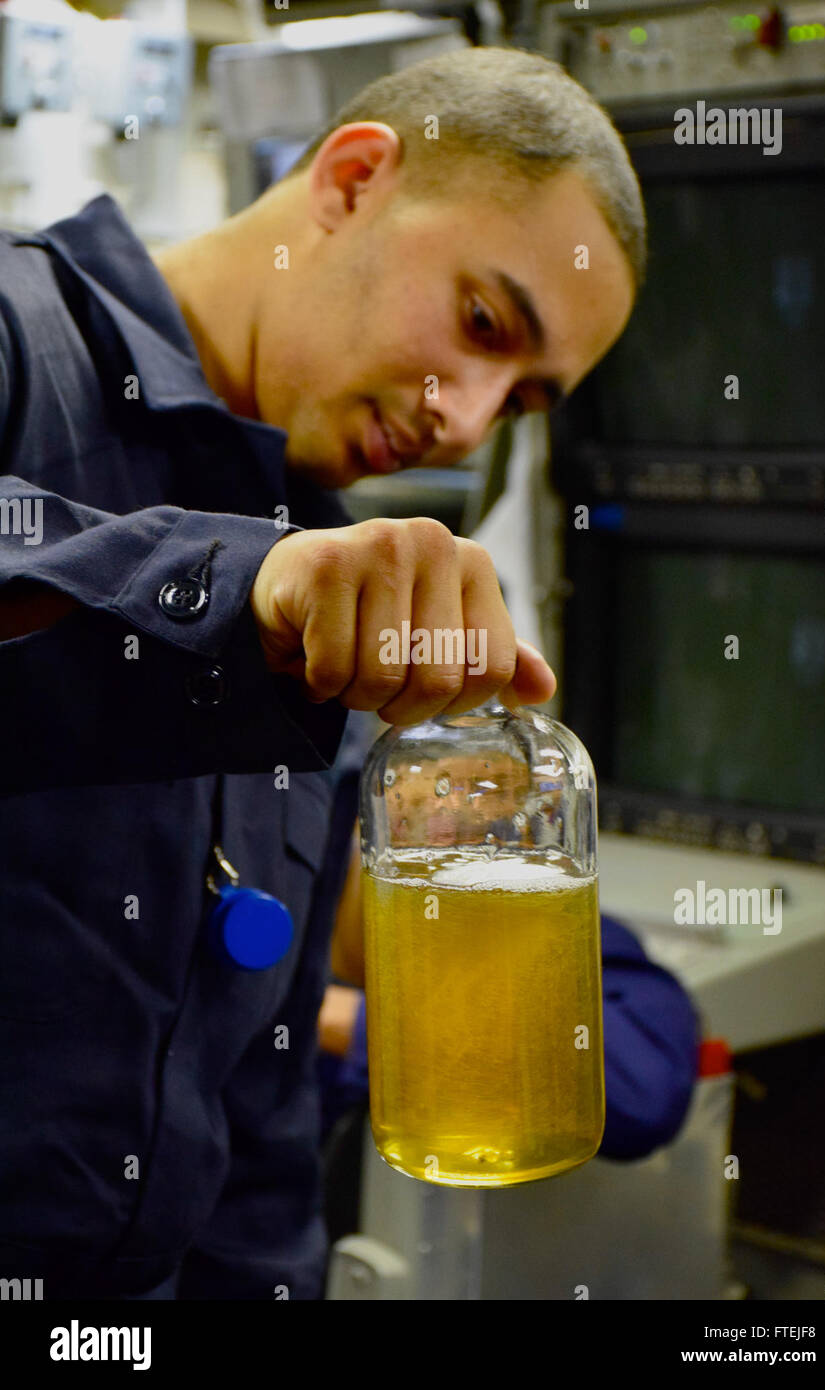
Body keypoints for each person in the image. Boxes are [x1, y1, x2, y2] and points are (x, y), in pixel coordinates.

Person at [0, 46, 657, 1301]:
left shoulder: (332, 589)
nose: (465, 421)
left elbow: (254, 1104)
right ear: (354, 181)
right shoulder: (20, 341)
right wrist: (233, 588)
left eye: (519, 398)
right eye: (480, 324)